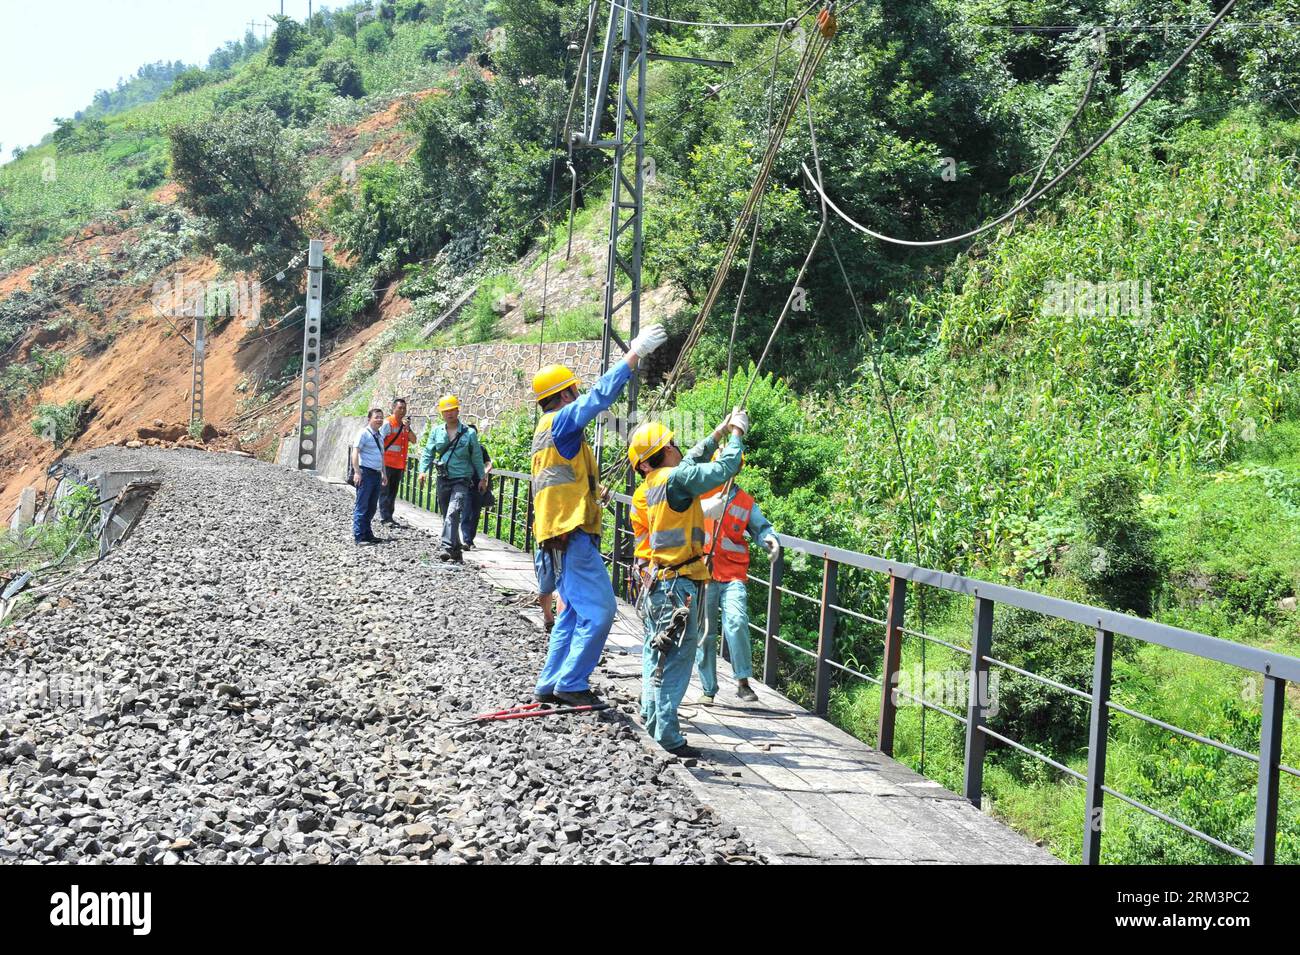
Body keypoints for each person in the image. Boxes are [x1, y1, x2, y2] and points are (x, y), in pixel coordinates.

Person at [530, 322, 668, 708]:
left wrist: (594, 495)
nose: (579, 394)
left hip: (556, 534)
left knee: (573, 611)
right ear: (565, 394)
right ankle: (572, 683)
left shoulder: (545, 433)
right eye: (574, 390)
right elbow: (599, 399)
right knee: (602, 610)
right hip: (571, 535)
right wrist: (634, 355)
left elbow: (562, 483)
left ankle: (551, 682)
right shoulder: (561, 422)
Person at [628, 408, 747, 757]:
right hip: (678, 586)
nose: (679, 448)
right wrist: (736, 434)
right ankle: (667, 735)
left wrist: (716, 433)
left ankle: (652, 719)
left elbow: (689, 461)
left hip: (659, 585)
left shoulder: (655, 482)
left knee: (656, 652)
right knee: (677, 659)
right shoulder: (675, 481)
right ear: (666, 451)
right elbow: (724, 469)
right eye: (674, 444)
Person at [695, 471, 779, 705]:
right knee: (704, 631)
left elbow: (762, 529)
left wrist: (770, 540)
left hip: (733, 575)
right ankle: (708, 689)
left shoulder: (744, 502)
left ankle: (743, 682)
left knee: (736, 621)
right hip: (704, 573)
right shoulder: (701, 493)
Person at [418, 395, 485, 562]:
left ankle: (447, 547)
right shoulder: (436, 432)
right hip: (443, 478)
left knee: (453, 511)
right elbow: (428, 452)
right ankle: (456, 552)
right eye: (445, 411)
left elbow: (477, 457)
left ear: (457, 410)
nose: (449, 414)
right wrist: (422, 471)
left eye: (452, 410)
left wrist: (482, 478)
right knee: (447, 515)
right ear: (442, 413)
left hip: (462, 479)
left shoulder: (469, 433)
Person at [351, 408, 389, 546]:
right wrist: (357, 472)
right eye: (376, 417)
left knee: (372, 506)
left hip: (376, 474)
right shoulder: (363, 433)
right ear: (369, 419)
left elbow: (381, 456)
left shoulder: (379, 436)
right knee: (362, 506)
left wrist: (383, 473)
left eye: (381, 417)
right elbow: (355, 452)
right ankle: (359, 536)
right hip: (365, 472)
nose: (379, 419)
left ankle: (368, 534)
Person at [378, 397, 415, 526]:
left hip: (399, 465)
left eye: (404, 408)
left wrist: (408, 428)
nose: (402, 411)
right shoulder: (388, 423)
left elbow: (414, 440)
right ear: (393, 409)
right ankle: (384, 517)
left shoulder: (404, 426)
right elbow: (379, 441)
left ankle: (389, 516)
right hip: (387, 464)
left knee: (393, 492)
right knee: (385, 491)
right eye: (400, 408)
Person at [460, 429, 492, 549]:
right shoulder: (461, 448)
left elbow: (488, 463)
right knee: (466, 512)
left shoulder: (481, 448)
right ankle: (466, 540)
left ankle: (470, 539)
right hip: (466, 484)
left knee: (475, 513)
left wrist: (484, 474)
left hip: (479, 485)